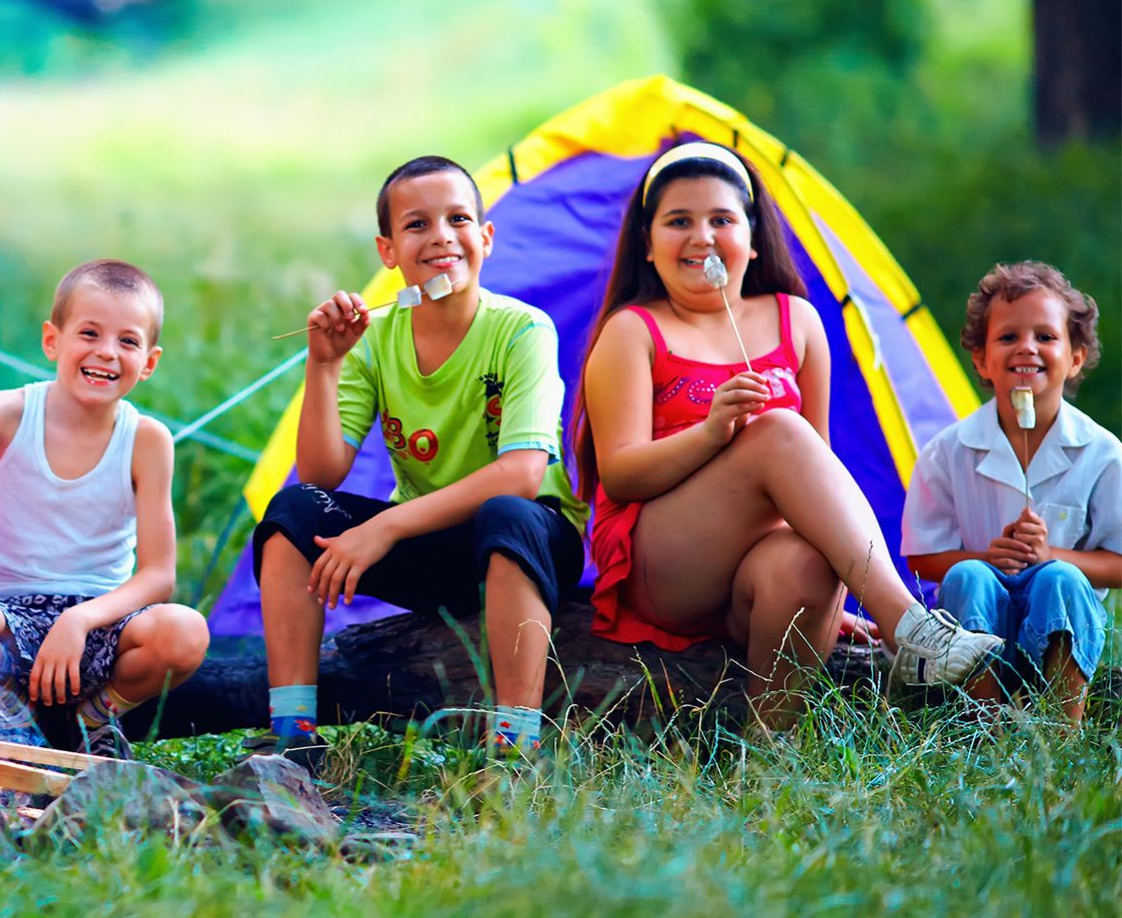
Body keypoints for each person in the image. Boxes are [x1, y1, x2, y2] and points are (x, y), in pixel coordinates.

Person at [573, 141, 1000, 726]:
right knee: (776, 429)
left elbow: (817, 468)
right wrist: (713, 433)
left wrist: (838, 587)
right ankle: (911, 628)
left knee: (807, 555)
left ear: (752, 237)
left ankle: (768, 750)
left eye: (721, 220)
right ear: (647, 245)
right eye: (678, 222)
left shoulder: (796, 320)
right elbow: (619, 473)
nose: (701, 237)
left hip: (758, 569)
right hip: (665, 565)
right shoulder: (633, 331)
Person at [253, 156, 589, 760]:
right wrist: (325, 364)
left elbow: (522, 474)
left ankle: (513, 750)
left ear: (485, 237)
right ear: (388, 251)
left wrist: (383, 526)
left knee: (506, 513)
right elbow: (322, 473)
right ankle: (294, 736)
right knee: (294, 511)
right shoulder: (374, 340)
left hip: (530, 541)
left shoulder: (523, 331)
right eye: (416, 224)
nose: (440, 235)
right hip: (437, 550)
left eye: (458, 218)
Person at [0, 260, 208, 757]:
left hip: (100, 622)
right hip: (7, 615)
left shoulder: (148, 440)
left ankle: (87, 724)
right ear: (53, 340)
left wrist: (79, 621)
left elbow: (159, 577)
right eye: (89, 333)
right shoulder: (6, 411)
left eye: (128, 342)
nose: (106, 353)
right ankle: (11, 720)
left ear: (150, 361)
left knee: (185, 630)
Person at [903, 262, 1118, 723]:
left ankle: (1064, 728)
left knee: (1059, 579)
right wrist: (983, 558)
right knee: (969, 578)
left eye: (1045, 336)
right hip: (983, 612)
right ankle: (984, 726)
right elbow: (922, 556)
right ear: (981, 359)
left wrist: (1051, 555)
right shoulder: (948, 452)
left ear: (1076, 356)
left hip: (1063, 619)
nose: (1027, 348)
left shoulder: (1103, 454)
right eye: (1008, 337)